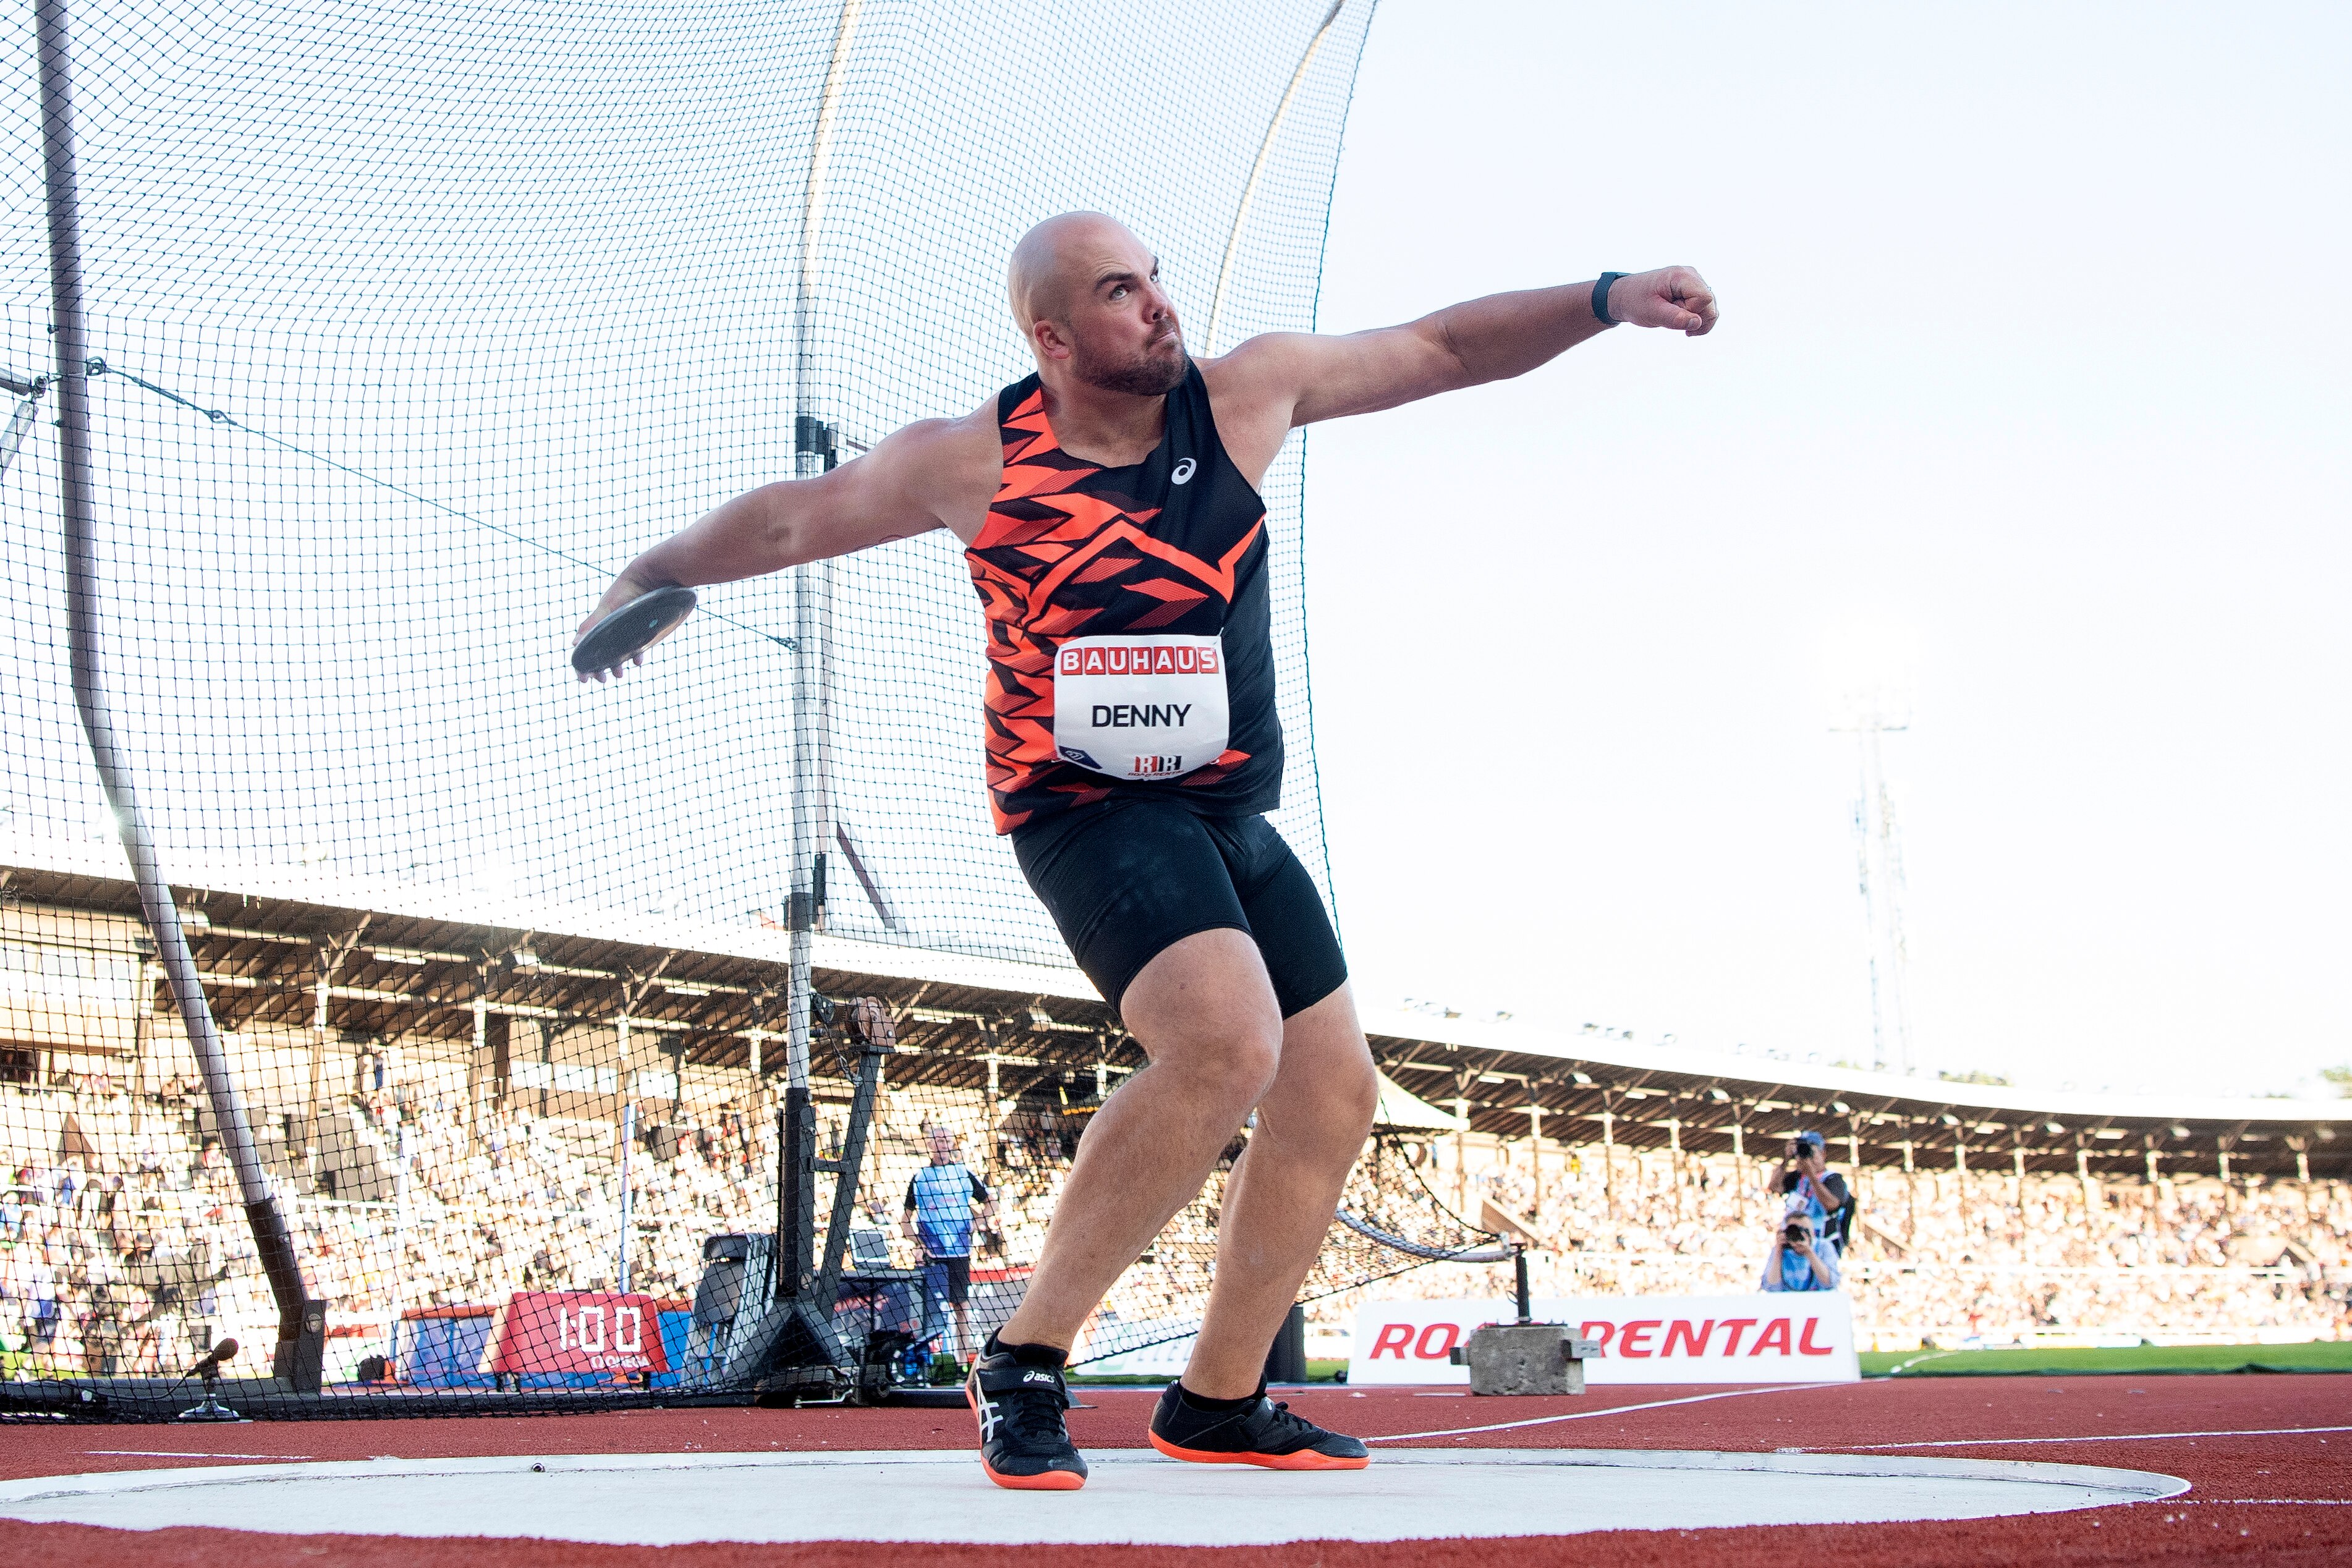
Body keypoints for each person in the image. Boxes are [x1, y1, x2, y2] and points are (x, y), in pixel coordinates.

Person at [577, 211, 1716, 1488]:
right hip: (1081, 806)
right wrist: (649, 571)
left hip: (1227, 807)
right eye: (1124, 292)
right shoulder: (975, 463)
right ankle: (1024, 1355)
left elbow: (1445, 345)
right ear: (1053, 337)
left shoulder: (1243, 399)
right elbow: (795, 522)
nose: (1161, 306)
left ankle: (1220, 1396)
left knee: (1332, 1091)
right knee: (1228, 1041)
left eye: (1157, 278)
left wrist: (1608, 295)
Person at [902, 1124, 996, 1365]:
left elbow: (991, 1203)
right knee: (924, 1308)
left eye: (947, 1140)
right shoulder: (920, 1177)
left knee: (961, 1307)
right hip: (931, 1254)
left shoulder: (964, 1174)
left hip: (959, 1252)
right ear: (930, 1144)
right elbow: (905, 1219)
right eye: (939, 1140)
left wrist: (978, 1222)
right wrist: (918, 1243)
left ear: (953, 1144)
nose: (943, 1144)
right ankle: (924, 1363)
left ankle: (962, 1363)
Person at [1773, 1130, 1853, 1254]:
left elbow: (1831, 1205)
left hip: (1822, 1246)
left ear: (1823, 1154)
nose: (1806, 1158)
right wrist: (1786, 1160)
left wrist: (1811, 1175)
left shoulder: (1833, 1178)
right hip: (1794, 1244)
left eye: (1810, 1152)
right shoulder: (1798, 1178)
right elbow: (1774, 1187)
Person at [1762, 1208, 1841, 1293]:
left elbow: (1830, 1283)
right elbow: (1771, 1287)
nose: (1800, 1235)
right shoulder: (1781, 1249)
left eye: (1805, 1231)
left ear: (1813, 1233)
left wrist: (1809, 1252)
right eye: (1795, 1231)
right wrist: (1779, 1251)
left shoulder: (1824, 1246)